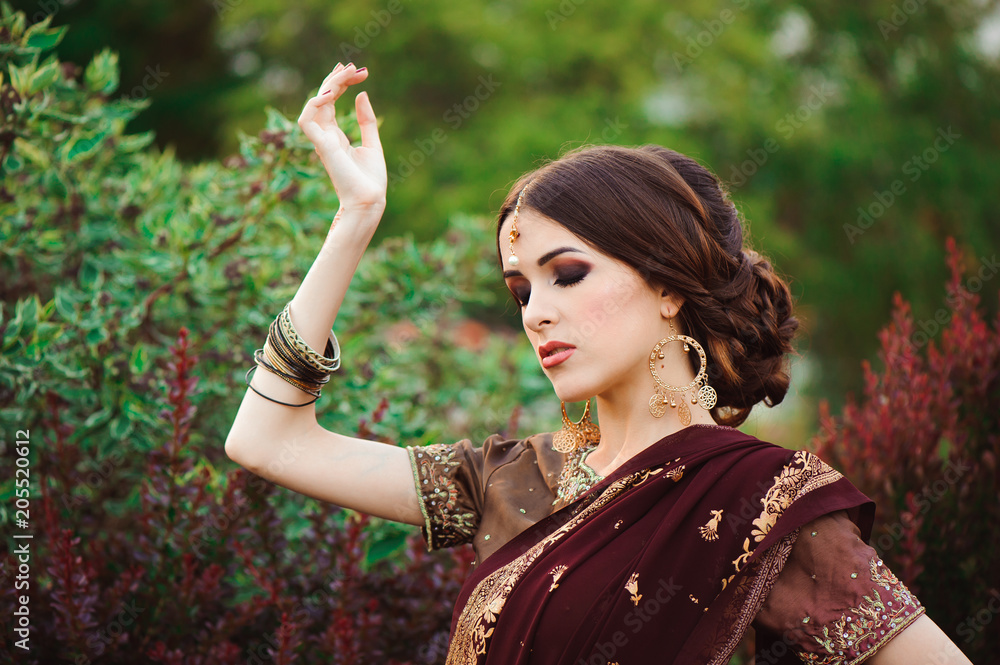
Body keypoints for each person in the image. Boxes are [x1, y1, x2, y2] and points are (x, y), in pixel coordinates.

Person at [224, 62, 973, 665]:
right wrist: (353, 223)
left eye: (569, 274)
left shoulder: (765, 506)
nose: (535, 312)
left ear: (669, 284)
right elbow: (265, 442)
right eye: (519, 290)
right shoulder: (511, 479)